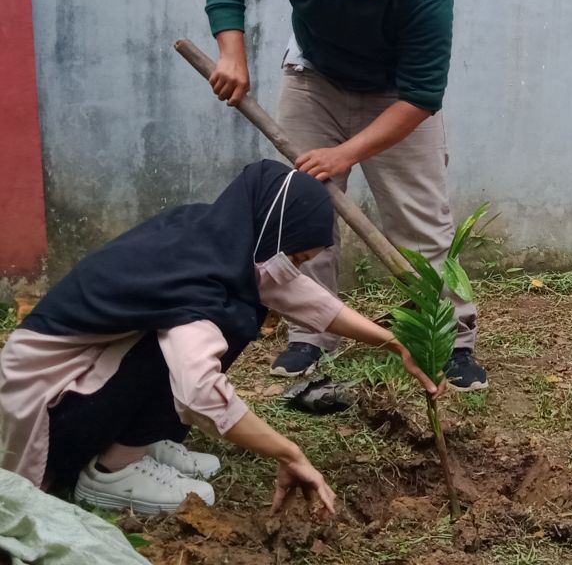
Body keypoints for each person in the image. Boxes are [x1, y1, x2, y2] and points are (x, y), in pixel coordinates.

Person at [0, 161, 441, 515]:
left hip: (76, 384)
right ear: (271, 232)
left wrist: (394, 342)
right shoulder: (197, 286)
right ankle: (114, 469)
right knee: (207, 331)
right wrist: (289, 453)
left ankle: (139, 438)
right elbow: (199, 393)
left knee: (230, 310)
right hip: (47, 411)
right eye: (293, 255)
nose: (293, 268)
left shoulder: (210, 235)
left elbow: (299, 295)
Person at [201, 0, 487, 391]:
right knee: (302, 214)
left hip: (396, 98)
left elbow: (422, 95)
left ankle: (451, 340)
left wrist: (346, 153)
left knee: (422, 223)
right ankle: (309, 332)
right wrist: (231, 52)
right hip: (314, 79)